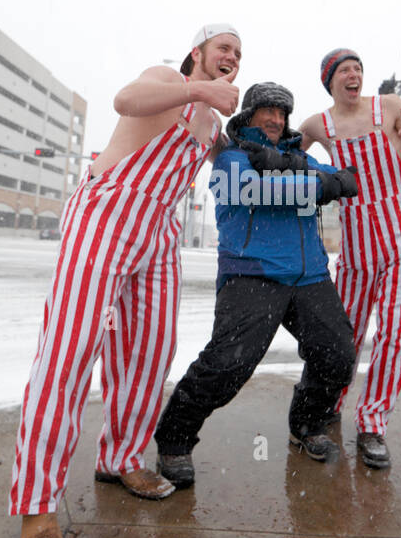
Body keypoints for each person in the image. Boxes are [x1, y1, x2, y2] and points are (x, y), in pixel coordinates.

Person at [10, 24, 241, 538]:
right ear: (198, 55)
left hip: (158, 231)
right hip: (107, 211)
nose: (232, 56)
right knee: (69, 351)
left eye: (238, 52)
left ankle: (121, 458)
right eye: (223, 48)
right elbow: (125, 100)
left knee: (151, 350)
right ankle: (36, 507)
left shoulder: (213, 125)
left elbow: (233, 161)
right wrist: (198, 90)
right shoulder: (167, 80)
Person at [153, 82, 361, 487]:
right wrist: (317, 185)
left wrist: (296, 169)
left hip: (309, 275)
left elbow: (346, 178)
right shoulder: (232, 157)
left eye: (282, 114)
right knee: (228, 366)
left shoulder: (298, 156)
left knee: (337, 355)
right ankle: (174, 439)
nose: (275, 119)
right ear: (248, 116)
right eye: (266, 111)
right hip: (251, 273)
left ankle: (307, 424)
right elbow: (250, 191)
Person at [297, 49, 401, 469]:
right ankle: (330, 406)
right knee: (345, 335)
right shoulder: (318, 124)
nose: (353, 75)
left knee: (396, 329)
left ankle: (373, 423)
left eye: (358, 69)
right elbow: (289, 159)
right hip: (357, 241)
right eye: (344, 70)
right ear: (330, 81)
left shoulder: (391, 107)